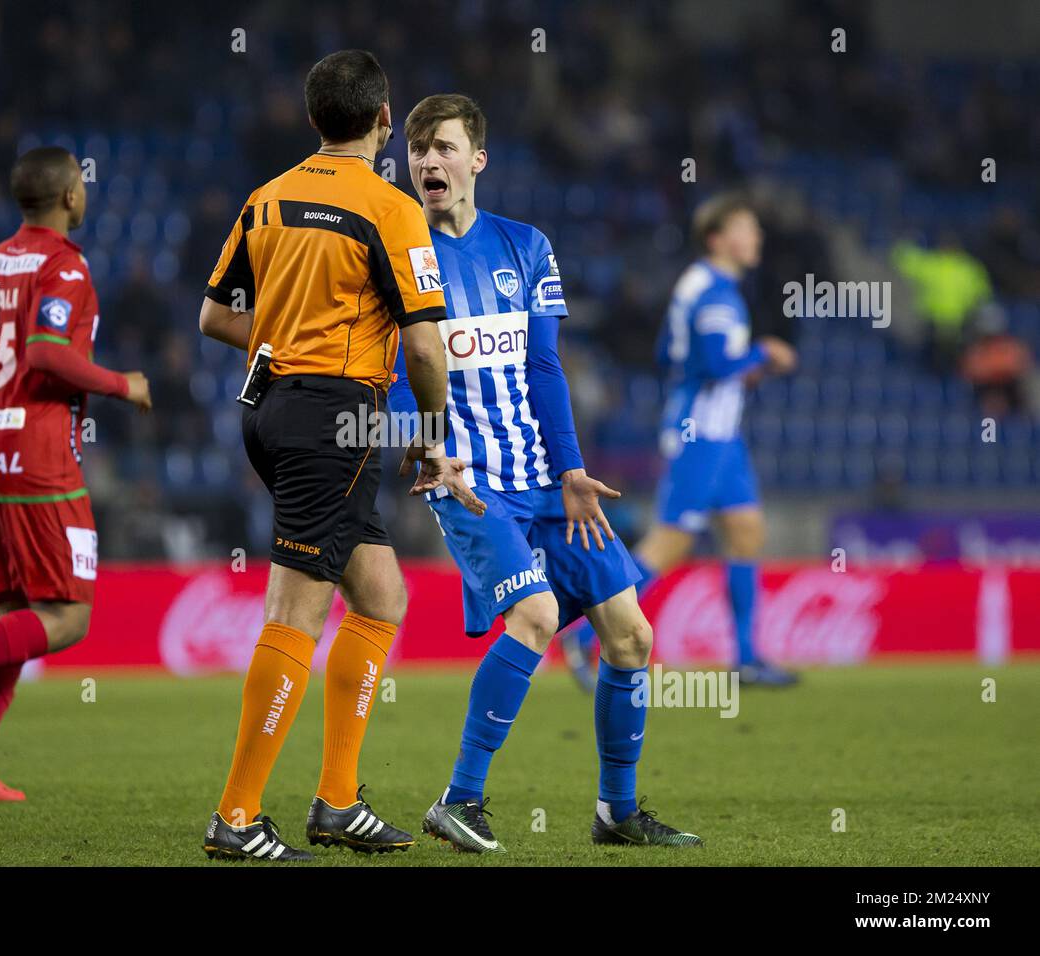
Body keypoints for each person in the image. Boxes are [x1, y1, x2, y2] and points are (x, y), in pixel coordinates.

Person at [389, 94, 702, 853]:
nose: (429, 160)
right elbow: (391, 373)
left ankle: (616, 813)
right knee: (531, 619)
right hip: (469, 482)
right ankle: (457, 801)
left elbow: (544, 367)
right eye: (418, 148)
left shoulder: (526, 246)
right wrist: (421, 442)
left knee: (631, 635)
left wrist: (571, 470)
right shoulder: (396, 253)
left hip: (544, 479)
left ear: (478, 159)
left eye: (444, 147)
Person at [197, 51, 483, 862]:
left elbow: (216, 317)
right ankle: (237, 815)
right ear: (385, 120)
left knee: (382, 594)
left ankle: (336, 801)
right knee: (295, 611)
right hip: (336, 419)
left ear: (314, 119)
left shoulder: (268, 198)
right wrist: (432, 430)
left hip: (268, 407)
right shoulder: (392, 209)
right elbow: (425, 349)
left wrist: (285, 341)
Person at [0, 146, 152, 798]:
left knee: (16, 617)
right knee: (69, 617)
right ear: (72, 197)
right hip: (35, 458)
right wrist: (121, 384)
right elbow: (45, 352)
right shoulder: (64, 265)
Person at [629, 193, 800, 686]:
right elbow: (716, 364)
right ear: (717, 239)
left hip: (724, 436)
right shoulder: (715, 291)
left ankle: (746, 657)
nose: (757, 237)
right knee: (671, 541)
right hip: (700, 434)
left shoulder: (707, 286)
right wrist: (764, 352)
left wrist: (730, 368)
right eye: (747, 228)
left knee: (746, 532)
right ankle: (581, 636)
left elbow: (670, 352)